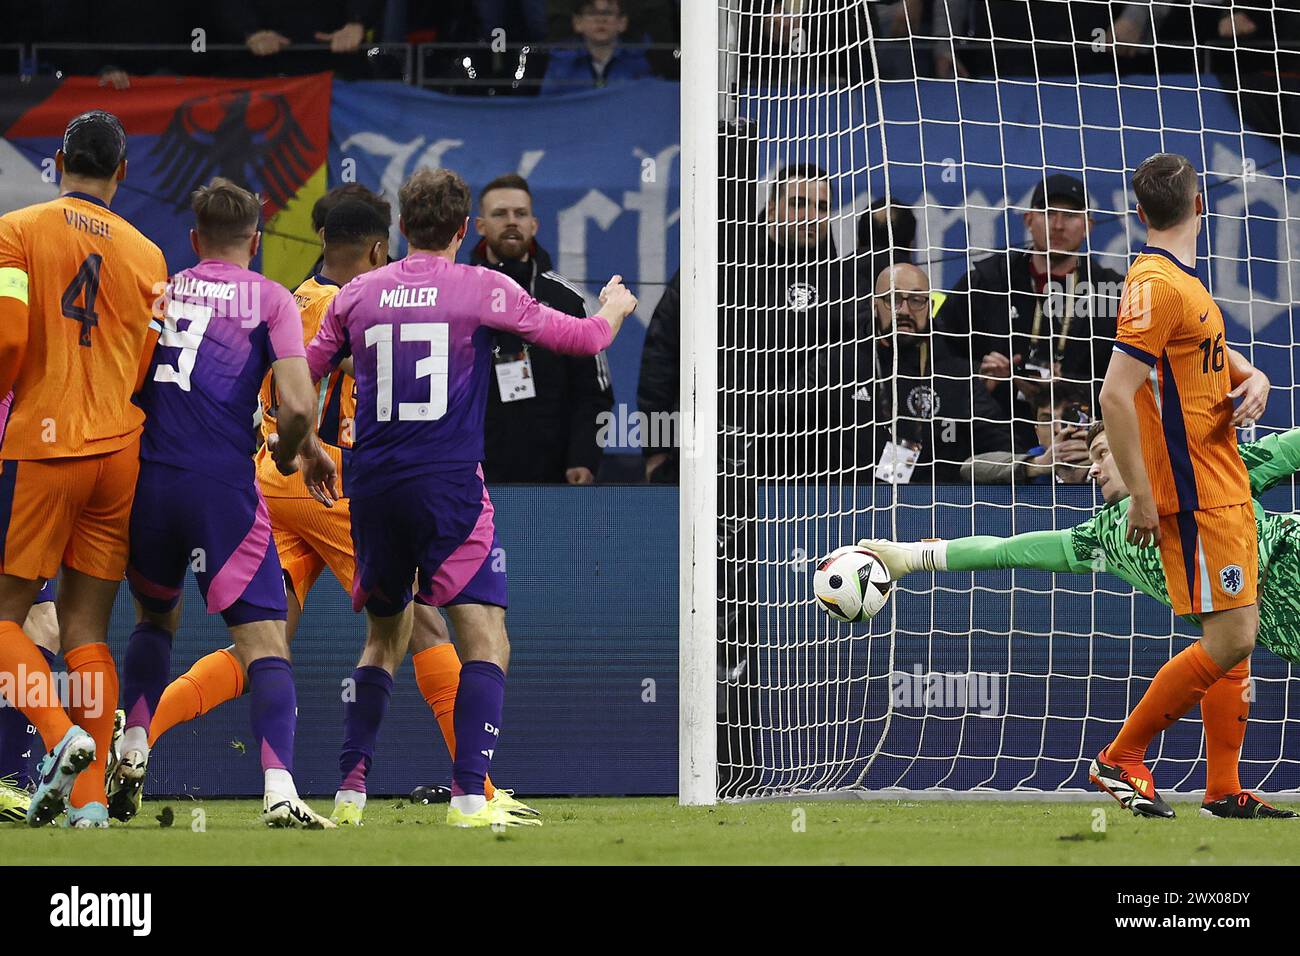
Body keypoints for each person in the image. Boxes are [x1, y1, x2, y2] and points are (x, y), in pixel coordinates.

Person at [146, 197, 536, 825]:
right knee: (423, 625)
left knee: (265, 642)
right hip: (332, 479)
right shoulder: (359, 305)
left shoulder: (294, 297)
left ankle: (135, 735)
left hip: (272, 480)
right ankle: (480, 792)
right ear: (381, 249)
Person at [303, 166, 636, 828]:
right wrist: (613, 310)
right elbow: (582, 340)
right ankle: (467, 795)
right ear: (463, 230)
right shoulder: (484, 286)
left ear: (400, 227)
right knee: (485, 635)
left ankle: (349, 788)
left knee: (382, 636)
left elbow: (299, 371)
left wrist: (305, 442)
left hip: (371, 484)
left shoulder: (357, 294)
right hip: (447, 483)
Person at [859, 417, 1300, 819]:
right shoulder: (1104, 536)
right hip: (1273, 624)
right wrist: (911, 556)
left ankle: (1216, 787)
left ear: (1140, 447)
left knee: (1226, 640)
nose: (1094, 469)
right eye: (1092, 459)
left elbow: (1290, 448)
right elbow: (1007, 549)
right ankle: (1160, 768)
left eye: (1105, 453)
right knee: (1225, 640)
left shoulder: (1211, 472)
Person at [111, 177, 335, 829]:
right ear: (256, 240)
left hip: (150, 480)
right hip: (223, 487)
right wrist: (295, 454)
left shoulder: (162, 292)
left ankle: (131, 748)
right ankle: (278, 791)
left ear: (192, 240)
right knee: (265, 641)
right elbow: (297, 403)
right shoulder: (269, 298)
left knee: (155, 620)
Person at [0, 110, 168, 828]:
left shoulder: (17, 229)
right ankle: (92, 800)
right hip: (119, 450)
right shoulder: (151, 256)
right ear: (122, 174)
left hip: (42, 443)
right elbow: (144, 366)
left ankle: (57, 734)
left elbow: (7, 337)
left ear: (59, 157)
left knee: (4, 618)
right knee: (87, 632)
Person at [1094, 151, 1271, 817]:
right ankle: (1120, 758)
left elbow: (1203, 350)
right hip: (1193, 488)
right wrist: (1141, 496)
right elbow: (1116, 395)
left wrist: (1254, 378)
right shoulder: (1156, 285)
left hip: (1221, 479)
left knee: (1236, 627)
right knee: (1232, 636)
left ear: (1139, 213)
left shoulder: (1180, 284)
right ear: (1201, 206)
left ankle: (1223, 789)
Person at [934, 173, 1125, 439]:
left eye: (1070, 215)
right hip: (994, 435)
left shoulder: (1111, 292)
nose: (1057, 225)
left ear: (1088, 226)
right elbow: (937, 351)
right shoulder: (988, 281)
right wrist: (982, 374)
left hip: (1082, 438)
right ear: (1028, 219)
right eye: (1047, 213)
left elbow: (1130, 376)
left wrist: (1069, 385)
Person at [471, 174, 613, 484]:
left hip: (554, 482)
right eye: (500, 213)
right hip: (471, 480)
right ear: (479, 226)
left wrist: (583, 459)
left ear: (534, 225)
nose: (512, 221)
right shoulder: (458, 296)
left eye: (520, 214)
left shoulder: (567, 300)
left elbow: (593, 393)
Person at [811, 262, 1005, 483]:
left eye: (915, 300)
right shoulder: (839, 363)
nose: (903, 310)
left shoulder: (957, 374)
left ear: (930, 306)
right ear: (874, 305)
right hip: (855, 507)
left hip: (938, 508)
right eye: (893, 299)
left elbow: (1000, 445)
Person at [960, 383, 1092, 484]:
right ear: (1037, 433)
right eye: (1047, 420)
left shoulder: (1109, 457)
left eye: (1070, 418)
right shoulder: (1035, 458)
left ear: (1091, 423)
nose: (1058, 429)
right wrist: (1037, 466)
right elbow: (969, 467)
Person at [540, 0, 651, 94]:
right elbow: (550, 108)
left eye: (608, 13)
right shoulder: (562, 65)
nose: (601, 19)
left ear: (622, 22)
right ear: (578, 22)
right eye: (592, 13)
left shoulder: (637, 63)